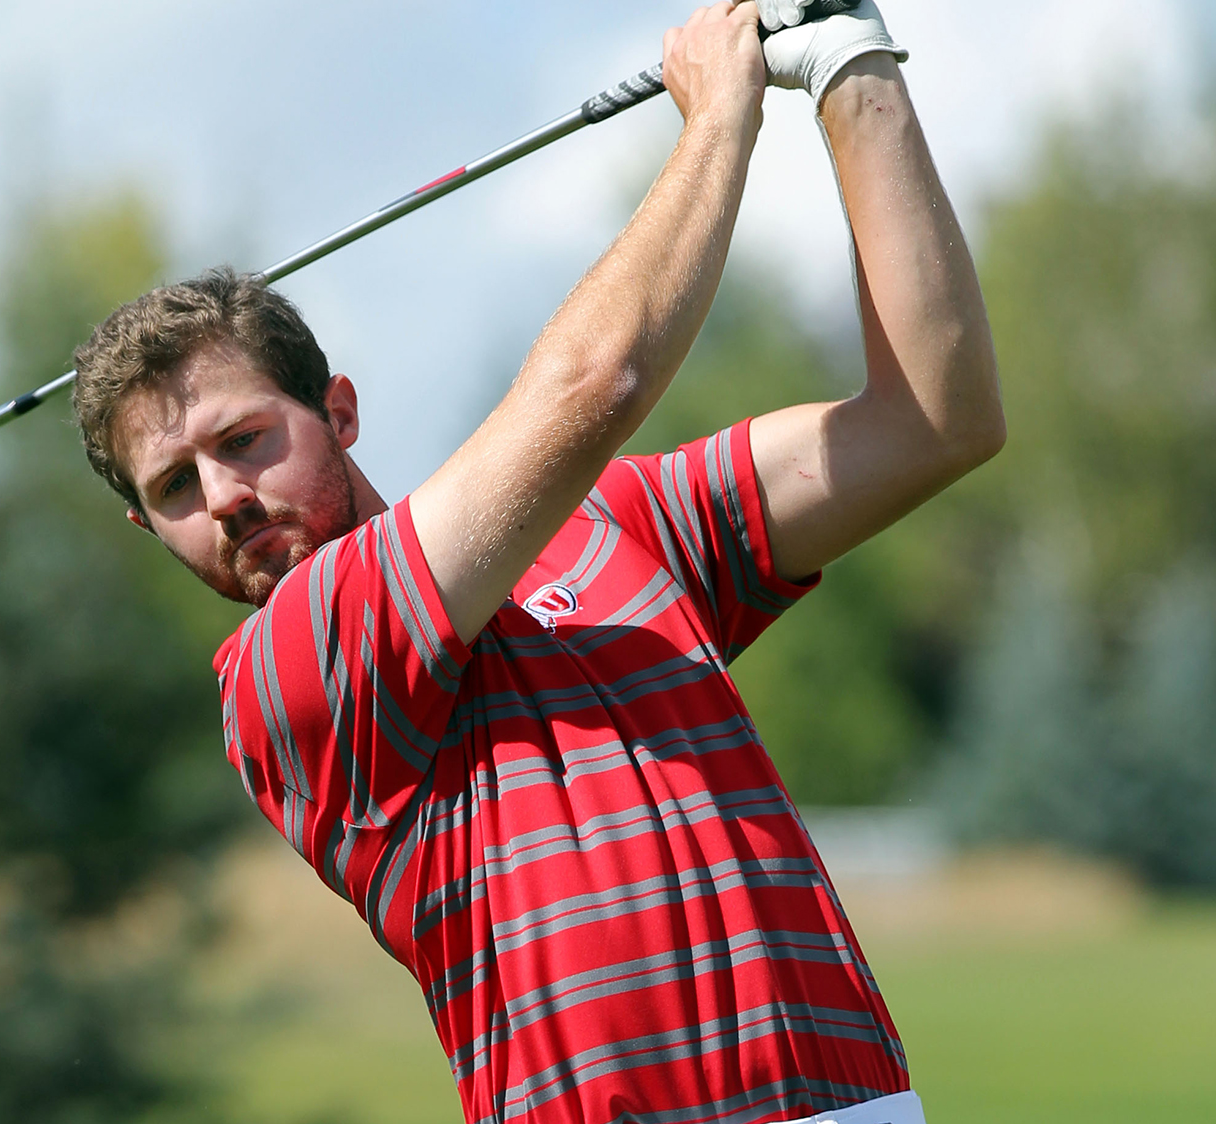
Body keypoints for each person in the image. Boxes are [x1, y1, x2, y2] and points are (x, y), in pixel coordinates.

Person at [70, 1, 999, 1121]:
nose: (221, 497)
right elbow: (593, 383)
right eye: (173, 486)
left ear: (339, 412)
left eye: (241, 439)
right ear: (147, 528)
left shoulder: (621, 519)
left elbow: (936, 421)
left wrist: (852, 63)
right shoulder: (288, 673)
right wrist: (719, 117)